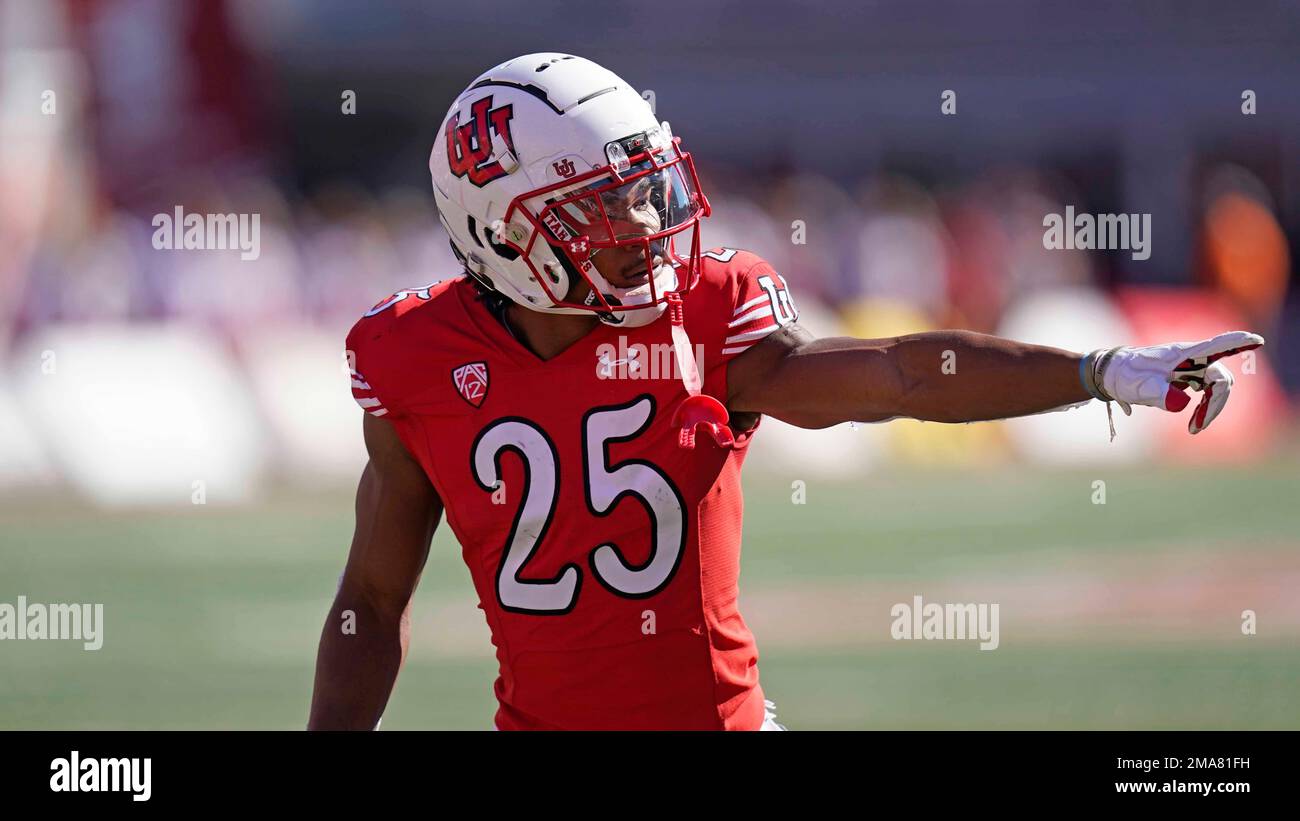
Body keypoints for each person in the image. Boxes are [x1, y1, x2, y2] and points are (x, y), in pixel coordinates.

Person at [308, 53, 1262, 731]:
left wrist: (1098, 371)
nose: (649, 223)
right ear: (504, 234)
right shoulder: (412, 357)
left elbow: (896, 375)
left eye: (647, 189)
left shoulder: (704, 312)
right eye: (607, 206)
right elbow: (373, 597)